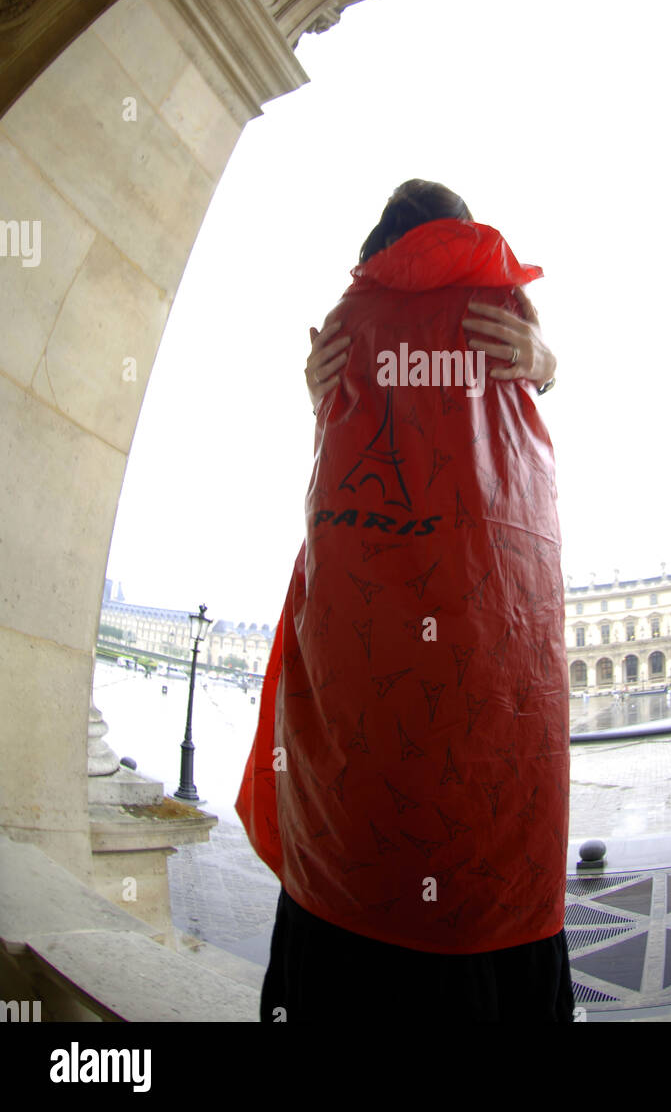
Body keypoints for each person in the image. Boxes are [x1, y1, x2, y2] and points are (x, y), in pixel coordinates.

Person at [236, 180, 572, 1023]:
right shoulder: (497, 297)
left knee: (352, 827)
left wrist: (321, 398)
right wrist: (547, 366)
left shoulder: (351, 314)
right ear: (458, 227)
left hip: (364, 658)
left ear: (379, 240)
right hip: (490, 645)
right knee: (486, 839)